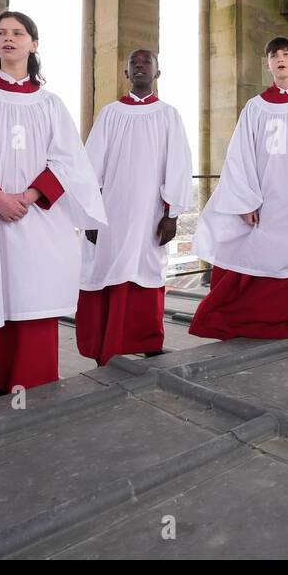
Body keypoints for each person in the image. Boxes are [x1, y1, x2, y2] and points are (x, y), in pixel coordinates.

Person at [0, 10, 105, 407]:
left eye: (18, 33)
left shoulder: (50, 104)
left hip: (36, 222)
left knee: (32, 299)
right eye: (1, 33)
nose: (8, 38)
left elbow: (68, 159)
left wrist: (30, 196)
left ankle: (31, 394)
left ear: (34, 44)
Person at [189, 37, 288, 340]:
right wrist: (244, 201)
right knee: (256, 254)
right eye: (274, 55)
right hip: (267, 200)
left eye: (287, 54)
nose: (280, 59)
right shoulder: (255, 108)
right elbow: (240, 157)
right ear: (268, 64)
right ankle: (253, 323)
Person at [77, 49, 193, 364]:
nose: (139, 66)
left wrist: (172, 215)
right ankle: (108, 343)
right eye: (133, 63)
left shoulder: (168, 114)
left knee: (147, 272)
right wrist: (90, 216)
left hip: (151, 213)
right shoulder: (111, 113)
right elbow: (91, 168)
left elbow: (178, 166)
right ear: (126, 74)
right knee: (112, 272)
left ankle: (148, 341)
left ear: (157, 72)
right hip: (111, 213)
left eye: (146, 62)